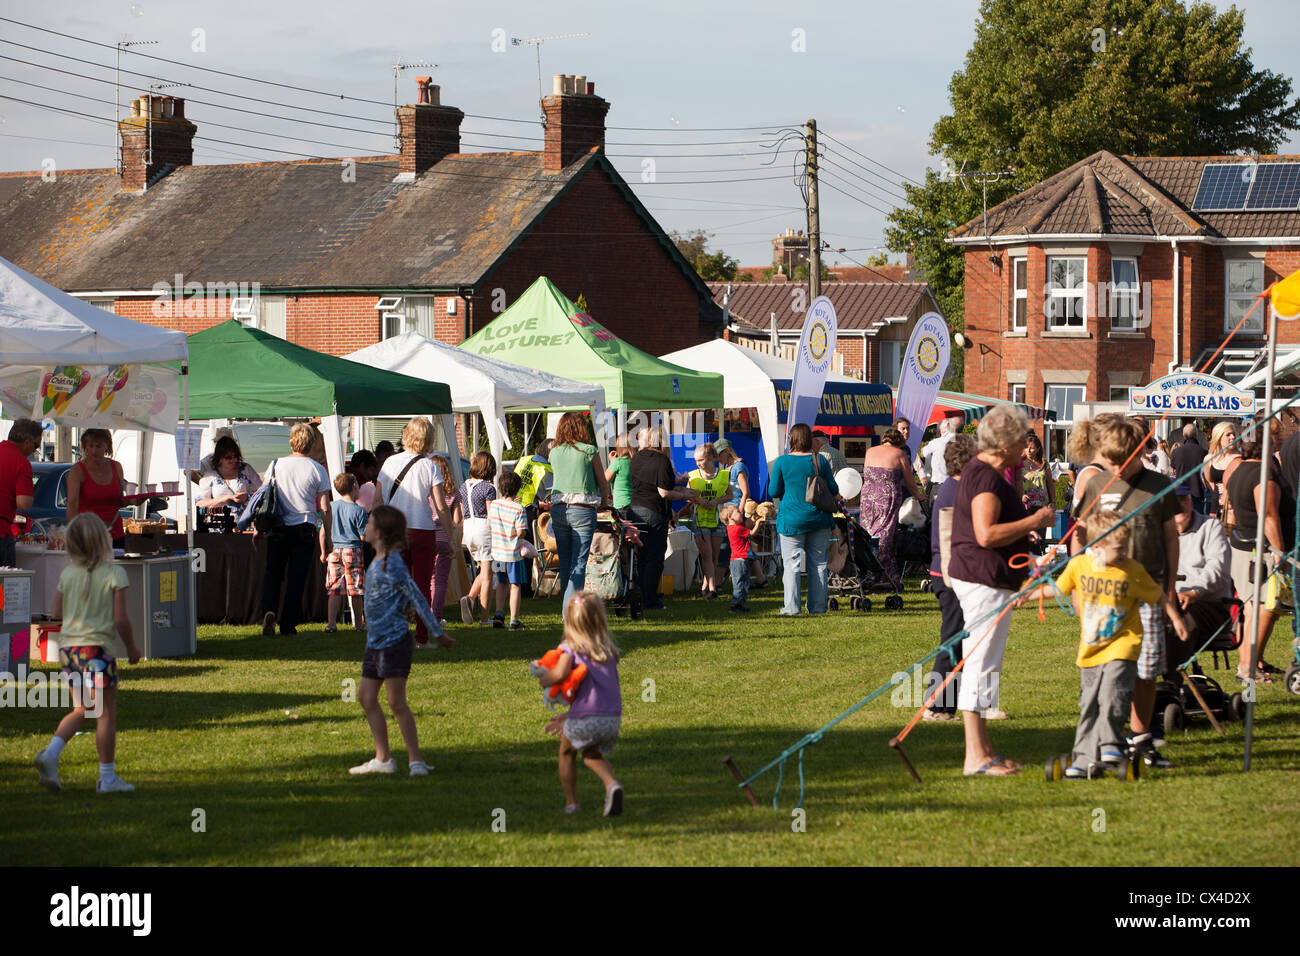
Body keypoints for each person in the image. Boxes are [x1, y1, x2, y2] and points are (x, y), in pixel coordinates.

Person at [1021, 511, 1188, 778]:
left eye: (1126, 547)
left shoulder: (1131, 570)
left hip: (1123, 646)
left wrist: (1176, 619)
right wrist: (1028, 596)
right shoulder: (1080, 566)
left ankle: (1111, 745)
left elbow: (1156, 595)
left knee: (1112, 695)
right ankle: (1084, 757)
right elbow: (1059, 588)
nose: (1123, 553)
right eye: (1117, 548)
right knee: (1089, 704)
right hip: (1091, 650)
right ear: (1096, 545)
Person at [949, 405, 1055, 775]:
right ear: (1006, 441)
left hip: (987, 577)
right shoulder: (986, 477)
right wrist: (1037, 519)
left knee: (985, 663)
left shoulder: (985, 471)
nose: (1026, 444)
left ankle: (986, 751)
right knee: (980, 662)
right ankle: (975, 757)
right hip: (982, 579)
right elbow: (986, 534)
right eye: (1022, 437)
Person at [1071, 415, 1180, 769]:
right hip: (1103, 594)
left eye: (1124, 461)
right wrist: (1076, 583)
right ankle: (1104, 738)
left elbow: (1170, 539)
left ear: (1140, 452)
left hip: (1145, 589)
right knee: (1107, 669)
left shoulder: (1159, 486)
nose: (1117, 469)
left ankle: (1140, 738)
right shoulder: (1094, 484)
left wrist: (1170, 588)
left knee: (1146, 668)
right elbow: (1079, 533)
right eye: (1111, 462)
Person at [33, 513, 140, 794]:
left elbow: (55, 613)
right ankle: (107, 777)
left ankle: (51, 754)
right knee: (105, 714)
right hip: (96, 651)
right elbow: (120, 620)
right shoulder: (115, 572)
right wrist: (131, 647)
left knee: (83, 710)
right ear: (104, 540)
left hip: (69, 651)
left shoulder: (68, 573)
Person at [349, 505, 442, 777]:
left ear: (379, 533)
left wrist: (438, 632)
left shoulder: (394, 564)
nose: (364, 527)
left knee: (395, 702)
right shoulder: (378, 562)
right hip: (375, 643)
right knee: (366, 698)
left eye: (369, 524)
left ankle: (415, 761)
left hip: (395, 641)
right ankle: (384, 759)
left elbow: (416, 597)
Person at [533, 591, 624, 816]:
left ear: (569, 622)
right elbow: (595, 694)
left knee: (566, 752)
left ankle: (571, 803)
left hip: (587, 718)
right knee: (591, 755)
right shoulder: (609, 652)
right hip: (611, 719)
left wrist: (545, 678)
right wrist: (569, 717)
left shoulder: (570, 650)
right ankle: (611, 784)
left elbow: (561, 675)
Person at [377, 417, 452, 647]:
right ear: (429, 438)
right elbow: (440, 506)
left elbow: (378, 499)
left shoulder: (389, 462)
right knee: (421, 585)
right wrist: (451, 536)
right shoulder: (430, 466)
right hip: (422, 530)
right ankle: (422, 637)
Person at [923, 433, 976, 721]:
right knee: (953, 638)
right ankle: (935, 705)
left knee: (959, 637)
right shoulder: (956, 490)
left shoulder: (952, 487)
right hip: (950, 576)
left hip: (948, 573)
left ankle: (947, 705)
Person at [260, 422, 331, 638]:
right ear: (312, 443)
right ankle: (288, 625)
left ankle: (269, 610)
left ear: (291, 442)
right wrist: (329, 537)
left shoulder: (275, 465)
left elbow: (263, 498)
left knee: (273, 573)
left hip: (279, 526)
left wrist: (257, 528)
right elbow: (325, 508)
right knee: (296, 578)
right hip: (305, 527)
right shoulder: (317, 469)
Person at [1225, 437, 1287, 684]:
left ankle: (1250, 664)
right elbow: (1269, 517)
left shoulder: (1237, 469)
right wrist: (1280, 551)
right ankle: (1247, 668)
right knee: (1263, 609)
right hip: (1258, 550)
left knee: (1251, 608)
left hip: (1241, 545)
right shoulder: (1262, 475)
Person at [768, 423, 840, 616]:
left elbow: (773, 491)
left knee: (792, 564)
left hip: (791, 519)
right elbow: (833, 489)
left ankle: (791, 608)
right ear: (810, 439)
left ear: (791, 439)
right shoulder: (820, 460)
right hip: (818, 518)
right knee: (819, 563)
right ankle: (818, 607)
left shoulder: (782, 462)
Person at [548, 412, 613, 617]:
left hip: (558, 508)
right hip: (583, 508)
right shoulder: (589, 450)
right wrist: (604, 502)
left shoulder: (554, 451)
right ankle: (570, 614)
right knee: (579, 564)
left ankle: (569, 611)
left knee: (566, 563)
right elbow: (602, 481)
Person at [629, 425, 697, 611]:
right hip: (653, 511)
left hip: (634, 509)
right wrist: (684, 495)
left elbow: (653, 483)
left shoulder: (636, 457)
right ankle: (651, 600)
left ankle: (643, 594)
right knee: (655, 557)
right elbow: (664, 491)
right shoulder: (662, 460)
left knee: (642, 557)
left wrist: (681, 489)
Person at [858, 426, 924, 591]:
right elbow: (910, 482)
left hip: (867, 497)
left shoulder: (870, 451)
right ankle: (881, 575)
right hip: (887, 498)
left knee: (868, 534)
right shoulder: (899, 454)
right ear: (899, 442)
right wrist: (920, 496)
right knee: (885, 535)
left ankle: (867, 571)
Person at [1172, 486, 1234, 651]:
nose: (1181, 505)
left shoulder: (1211, 526)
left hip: (1208, 604)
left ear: (1191, 502)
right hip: (1170, 604)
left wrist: (1194, 593)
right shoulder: (1158, 531)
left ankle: (1173, 673)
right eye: (1175, 502)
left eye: (1184, 499)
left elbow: (1217, 569)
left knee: (1181, 621)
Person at [716, 438, 766, 588]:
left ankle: (718, 582)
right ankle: (761, 579)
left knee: (728, 545)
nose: (718, 458)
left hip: (736, 514)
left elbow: (745, 492)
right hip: (729, 513)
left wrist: (739, 510)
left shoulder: (739, 467)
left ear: (727, 452)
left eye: (719, 455)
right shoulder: (726, 469)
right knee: (744, 546)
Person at [66, 428, 127, 548]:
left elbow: (120, 501)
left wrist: (134, 501)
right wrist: (75, 534)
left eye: (98, 446)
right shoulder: (77, 470)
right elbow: (72, 505)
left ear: (107, 446)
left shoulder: (116, 467)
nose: (94, 451)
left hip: (115, 533)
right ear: (85, 447)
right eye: (90, 446)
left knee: (116, 566)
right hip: (88, 534)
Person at [460, 451, 500, 626]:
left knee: (484, 570)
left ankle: (469, 598)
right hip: (483, 528)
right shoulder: (488, 488)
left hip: (468, 530)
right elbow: (491, 514)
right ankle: (484, 618)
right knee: (488, 575)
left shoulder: (463, 486)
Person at [324, 473, 367, 633]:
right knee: (355, 590)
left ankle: (331, 624)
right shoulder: (359, 511)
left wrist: (324, 551)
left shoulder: (331, 507)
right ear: (355, 486)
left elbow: (323, 531)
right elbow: (363, 536)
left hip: (334, 550)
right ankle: (358, 624)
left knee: (335, 589)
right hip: (353, 550)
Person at [688, 442, 731, 600]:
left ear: (711, 458)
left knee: (714, 555)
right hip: (700, 519)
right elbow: (687, 495)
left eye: (701, 460)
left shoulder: (723, 475)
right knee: (706, 554)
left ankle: (705, 585)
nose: (698, 463)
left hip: (717, 519)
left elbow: (730, 495)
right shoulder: (693, 476)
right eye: (696, 461)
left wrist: (716, 501)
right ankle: (712, 589)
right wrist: (699, 501)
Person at [488, 470, 530, 631]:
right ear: (518, 489)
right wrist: (522, 533)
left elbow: (491, 523)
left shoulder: (495, 505)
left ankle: (498, 614)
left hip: (497, 553)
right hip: (513, 554)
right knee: (515, 585)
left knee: (501, 583)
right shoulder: (519, 509)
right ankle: (514, 620)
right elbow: (520, 532)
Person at [427, 453, 462, 627]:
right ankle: (436, 616)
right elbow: (457, 518)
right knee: (440, 581)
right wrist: (452, 535)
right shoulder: (453, 493)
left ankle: (423, 614)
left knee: (425, 578)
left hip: (426, 536)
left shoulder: (426, 493)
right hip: (445, 539)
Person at [196, 435, 263, 525]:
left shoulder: (246, 469)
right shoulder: (210, 476)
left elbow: (263, 492)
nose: (233, 460)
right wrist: (223, 499)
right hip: (218, 526)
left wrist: (247, 496)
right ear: (219, 458)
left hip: (245, 524)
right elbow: (200, 504)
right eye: (228, 457)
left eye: (235, 456)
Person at [0, 418, 39, 567]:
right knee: (3, 586)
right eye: (36, 445)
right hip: (1, 532)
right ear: (27, 442)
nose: (34, 450)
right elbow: (23, 503)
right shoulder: (21, 462)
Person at [721, 503, 764, 613]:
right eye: (738, 512)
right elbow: (752, 533)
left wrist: (753, 519)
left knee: (742, 583)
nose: (742, 513)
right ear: (730, 517)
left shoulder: (732, 527)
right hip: (740, 561)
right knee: (740, 584)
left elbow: (746, 524)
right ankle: (735, 605)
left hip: (737, 560)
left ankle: (739, 604)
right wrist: (758, 523)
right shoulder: (737, 529)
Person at [1202, 421, 1239, 521]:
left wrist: (1228, 489)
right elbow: (1209, 480)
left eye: (1234, 434)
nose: (1232, 437)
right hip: (1215, 506)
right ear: (1219, 437)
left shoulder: (1241, 457)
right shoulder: (1209, 458)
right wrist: (1217, 491)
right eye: (1228, 435)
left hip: (1236, 507)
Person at [919, 417, 960, 501]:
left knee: (936, 511)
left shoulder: (936, 442)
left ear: (940, 430)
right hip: (958, 485)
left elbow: (922, 453)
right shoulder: (962, 442)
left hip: (939, 484)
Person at [1170, 424, 1207, 513]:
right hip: (1198, 492)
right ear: (1196, 435)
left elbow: (1173, 470)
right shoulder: (1204, 452)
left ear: (1183, 436)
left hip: (1181, 493)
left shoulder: (1176, 452)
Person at [604, 434, 634, 510]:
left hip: (621, 503)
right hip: (635, 503)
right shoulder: (637, 462)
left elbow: (604, 480)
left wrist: (612, 462)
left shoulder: (618, 462)